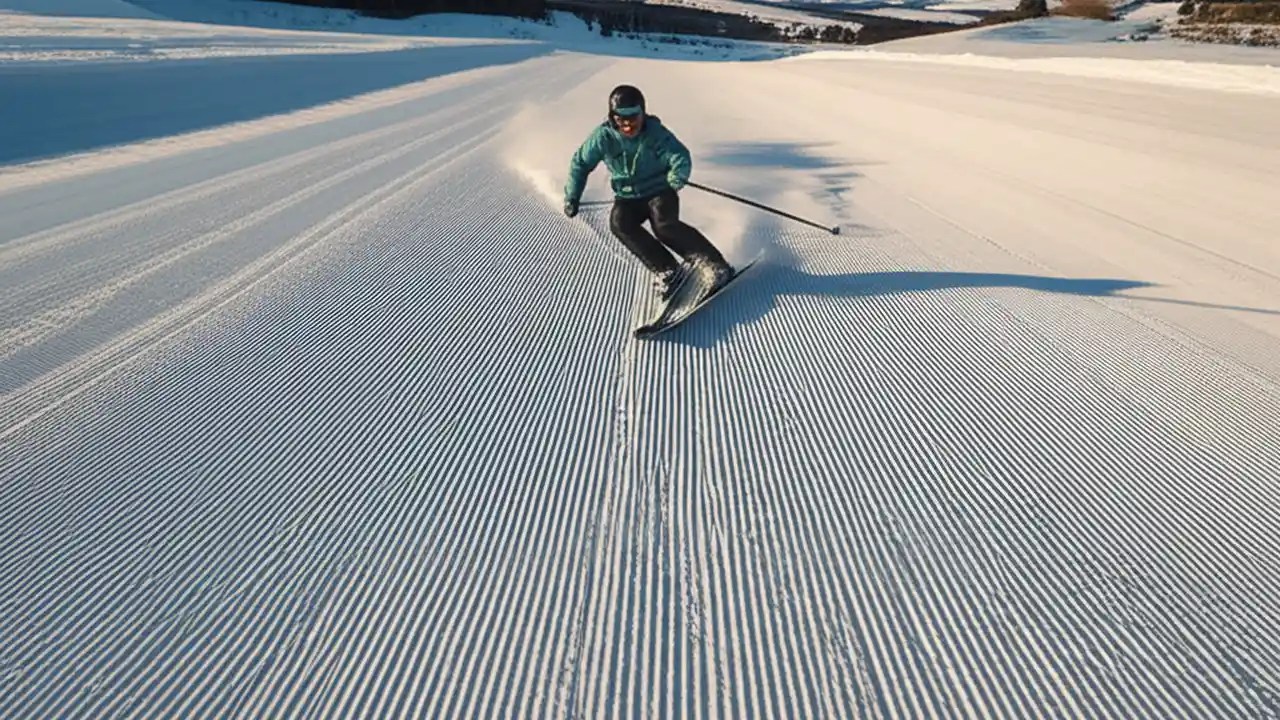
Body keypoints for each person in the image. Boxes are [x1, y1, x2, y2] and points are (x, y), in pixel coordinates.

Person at [563, 84, 733, 300]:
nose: (627, 124)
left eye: (633, 117)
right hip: (627, 197)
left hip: (659, 190)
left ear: (642, 113)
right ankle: (669, 271)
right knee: (620, 224)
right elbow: (580, 164)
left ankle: (716, 265)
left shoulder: (655, 133)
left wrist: (677, 174)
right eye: (620, 118)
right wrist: (572, 196)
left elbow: (678, 155)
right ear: (611, 116)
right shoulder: (603, 138)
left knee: (664, 225)